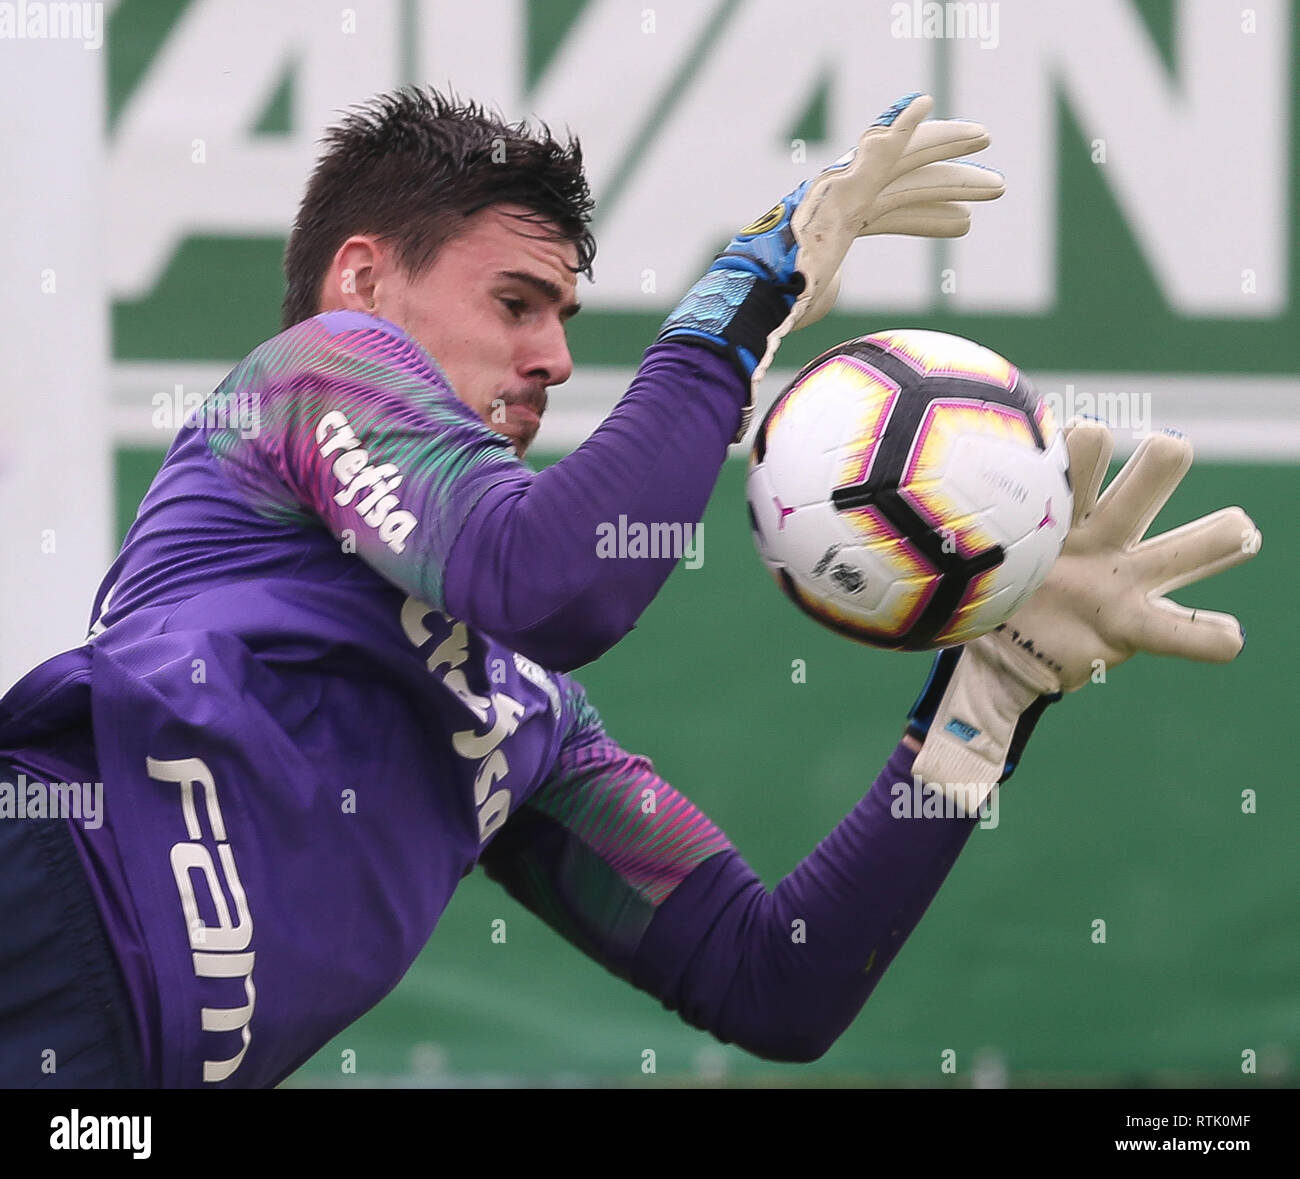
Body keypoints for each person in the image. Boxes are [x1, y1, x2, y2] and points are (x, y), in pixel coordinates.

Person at [0, 88, 1257, 1089]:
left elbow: (776, 985)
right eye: (514, 302)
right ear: (364, 280)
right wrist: (737, 304)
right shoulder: (311, 380)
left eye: (565, 314)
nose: (551, 354)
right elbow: (555, 581)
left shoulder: (526, 721)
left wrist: (984, 703)